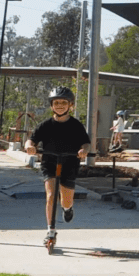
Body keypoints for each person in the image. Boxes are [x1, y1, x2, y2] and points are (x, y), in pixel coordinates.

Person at [25, 86, 90, 229]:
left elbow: (86, 143)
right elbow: (31, 140)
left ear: (70, 105)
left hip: (70, 163)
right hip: (49, 162)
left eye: (63, 103)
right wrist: (29, 146)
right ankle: (50, 230)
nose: (60, 106)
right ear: (51, 105)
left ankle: (67, 209)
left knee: (66, 200)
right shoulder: (45, 125)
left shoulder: (76, 125)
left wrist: (83, 150)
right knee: (51, 196)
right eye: (56, 103)